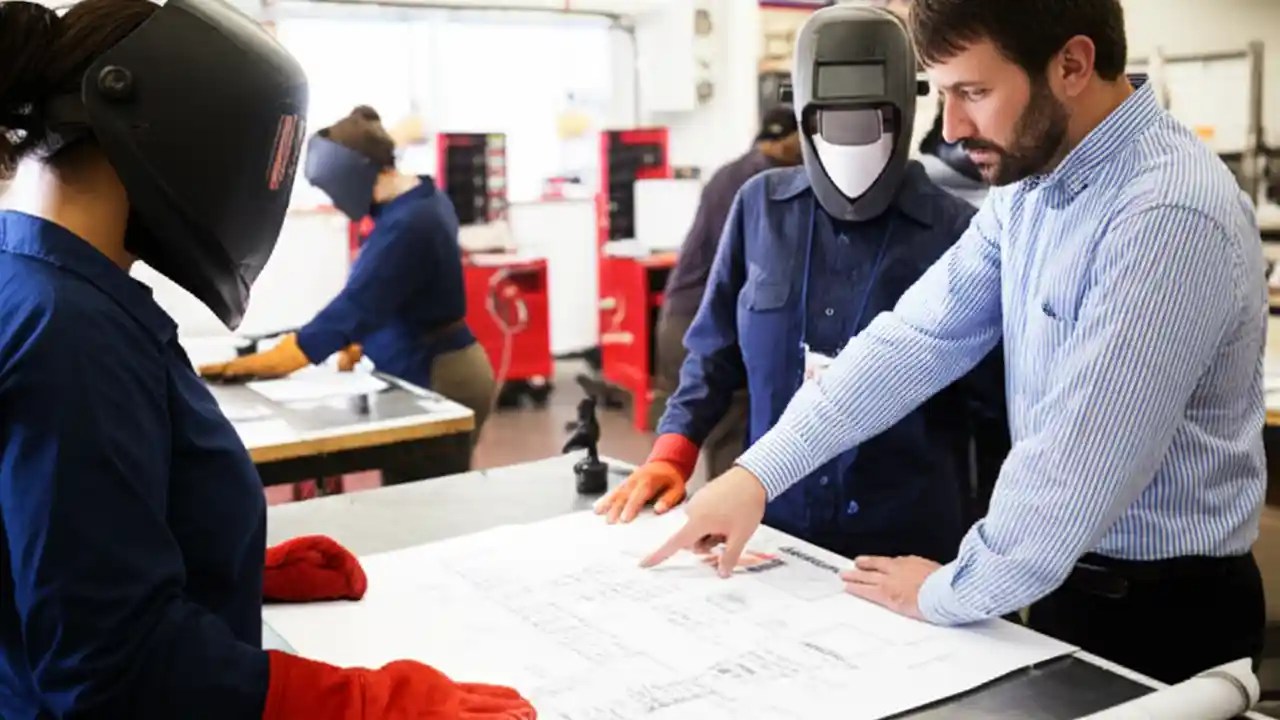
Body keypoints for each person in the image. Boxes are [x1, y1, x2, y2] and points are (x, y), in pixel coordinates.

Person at [642, 0, 1267, 686]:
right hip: (1064, 593)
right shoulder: (1032, 188)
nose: (951, 127)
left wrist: (944, 592)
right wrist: (756, 474)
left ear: (1072, 65)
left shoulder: (1165, 216)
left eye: (973, 91)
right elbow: (915, 340)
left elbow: (1074, 467)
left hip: (1161, 617)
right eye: (943, 94)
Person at [0, 1, 534, 718]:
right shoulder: (70, 329)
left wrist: (224, 567)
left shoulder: (32, 283)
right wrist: (376, 704)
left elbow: (50, 548)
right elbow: (116, 670)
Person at [600, 5, 1008, 566]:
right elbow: (712, 352)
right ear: (803, 114)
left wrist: (985, 557)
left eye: (870, 122)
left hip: (908, 552)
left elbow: (995, 414)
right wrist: (672, 453)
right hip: (773, 532)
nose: (849, 141)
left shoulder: (959, 234)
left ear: (905, 111)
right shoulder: (759, 209)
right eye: (831, 121)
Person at [199, 106, 496, 469]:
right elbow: (395, 294)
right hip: (433, 364)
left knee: (424, 505)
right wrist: (360, 341)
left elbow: (354, 308)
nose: (334, 201)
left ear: (351, 173)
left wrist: (258, 364)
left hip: (442, 376)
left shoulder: (409, 224)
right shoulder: (420, 198)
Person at [653, 105, 802, 478]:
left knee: (717, 435)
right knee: (732, 441)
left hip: (677, 319)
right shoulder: (769, 185)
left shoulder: (729, 172)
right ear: (788, 139)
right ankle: (725, 531)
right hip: (708, 324)